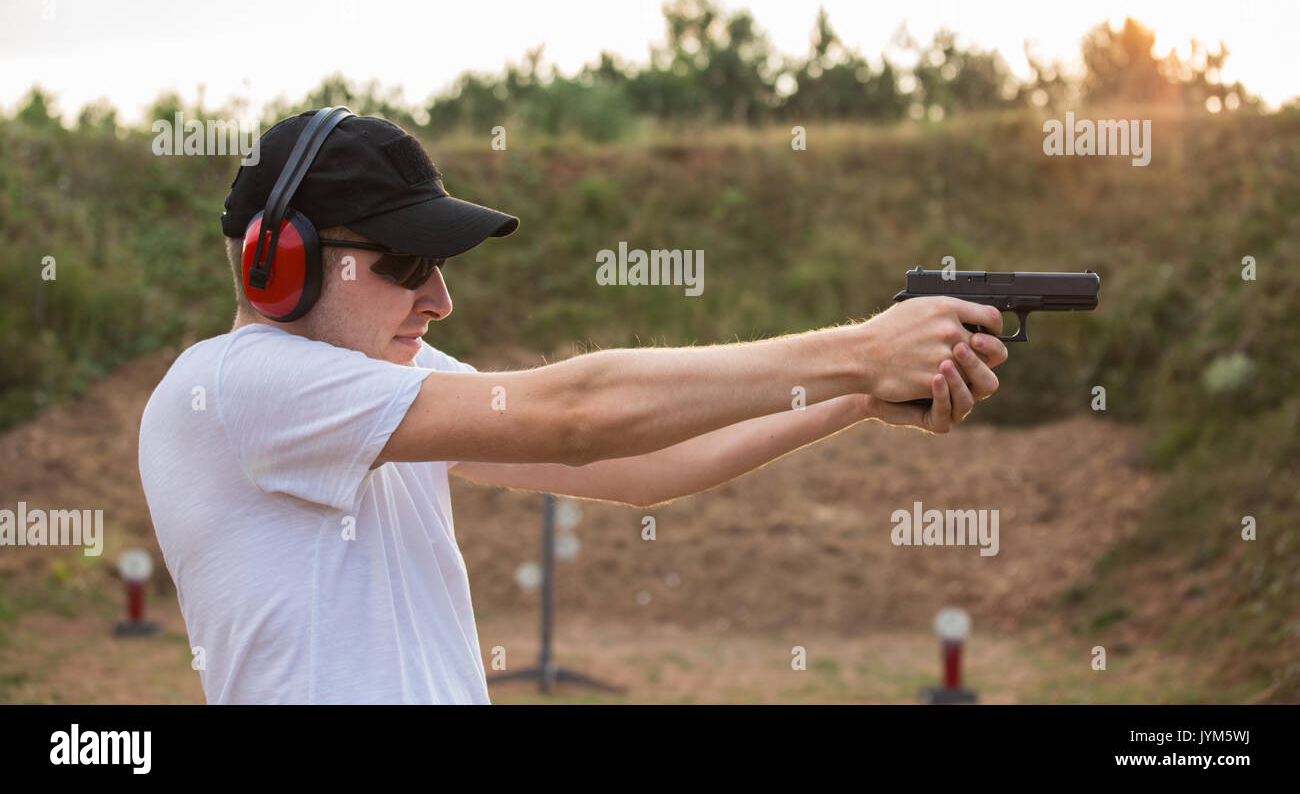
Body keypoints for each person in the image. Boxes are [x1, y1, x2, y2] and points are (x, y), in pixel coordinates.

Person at [137, 110, 1008, 704]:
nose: (439, 299)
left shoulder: (379, 379)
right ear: (280, 261)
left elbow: (640, 463)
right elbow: (578, 414)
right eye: (405, 264)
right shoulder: (240, 384)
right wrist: (860, 349)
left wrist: (855, 395)